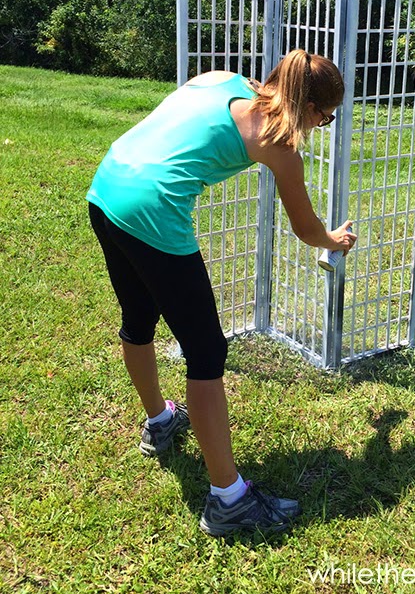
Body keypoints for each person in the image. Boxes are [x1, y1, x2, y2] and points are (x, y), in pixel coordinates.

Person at [86, 48, 357, 537]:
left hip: (108, 186)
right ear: (312, 109)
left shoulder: (220, 78)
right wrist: (334, 240)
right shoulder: (281, 144)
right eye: (327, 117)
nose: (324, 124)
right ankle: (228, 500)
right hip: (153, 208)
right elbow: (305, 226)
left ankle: (160, 421)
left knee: (139, 316)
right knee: (206, 352)